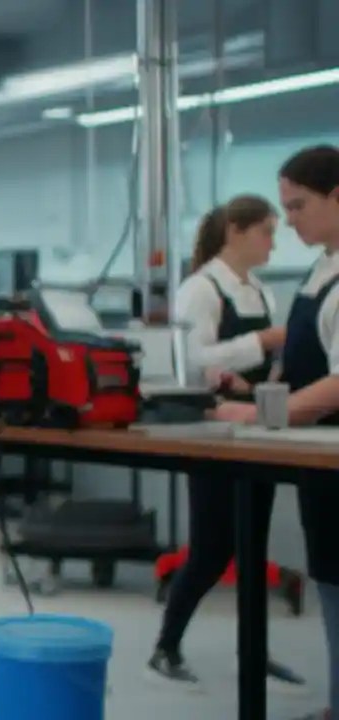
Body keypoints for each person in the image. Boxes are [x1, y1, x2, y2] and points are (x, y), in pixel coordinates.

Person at [146, 194, 304, 692]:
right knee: (213, 548)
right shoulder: (202, 288)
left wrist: (269, 375)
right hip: (212, 432)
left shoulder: (258, 291)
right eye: (267, 232)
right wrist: (263, 343)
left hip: (253, 426)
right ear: (236, 230)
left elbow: (262, 363)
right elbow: (193, 361)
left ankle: (253, 652)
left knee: (253, 545)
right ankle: (166, 646)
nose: (273, 243)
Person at [212, 145, 339, 719]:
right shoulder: (323, 266)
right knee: (331, 581)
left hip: (331, 452)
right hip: (317, 459)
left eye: (299, 206)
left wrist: (267, 414)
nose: (289, 221)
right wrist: (255, 393)